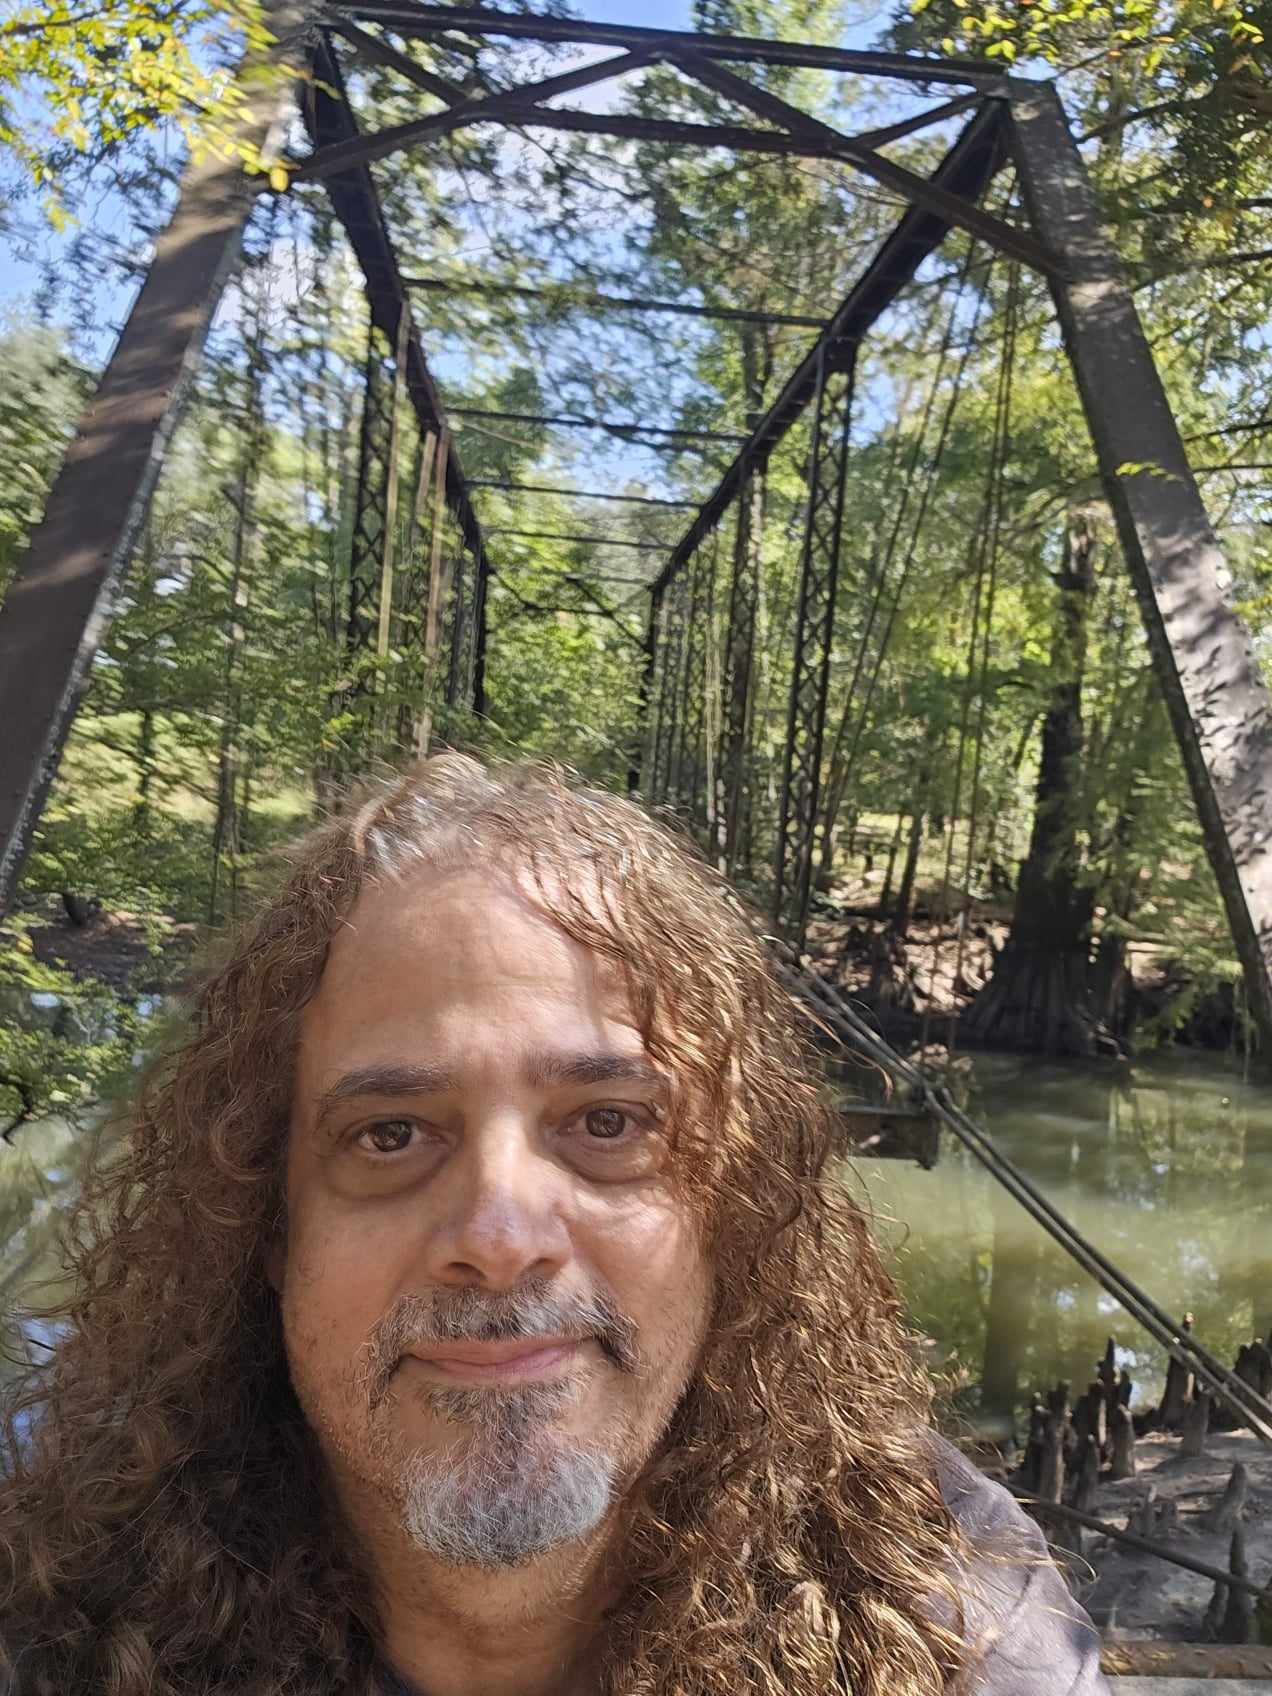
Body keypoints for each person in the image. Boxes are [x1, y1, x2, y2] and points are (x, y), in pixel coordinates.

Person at [0, 755, 1107, 1696]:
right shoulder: (53, 1604)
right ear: (271, 1229)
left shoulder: (953, 1613)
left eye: (608, 1122)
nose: (499, 1236)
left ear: (732, 1203)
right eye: (391, 1134)